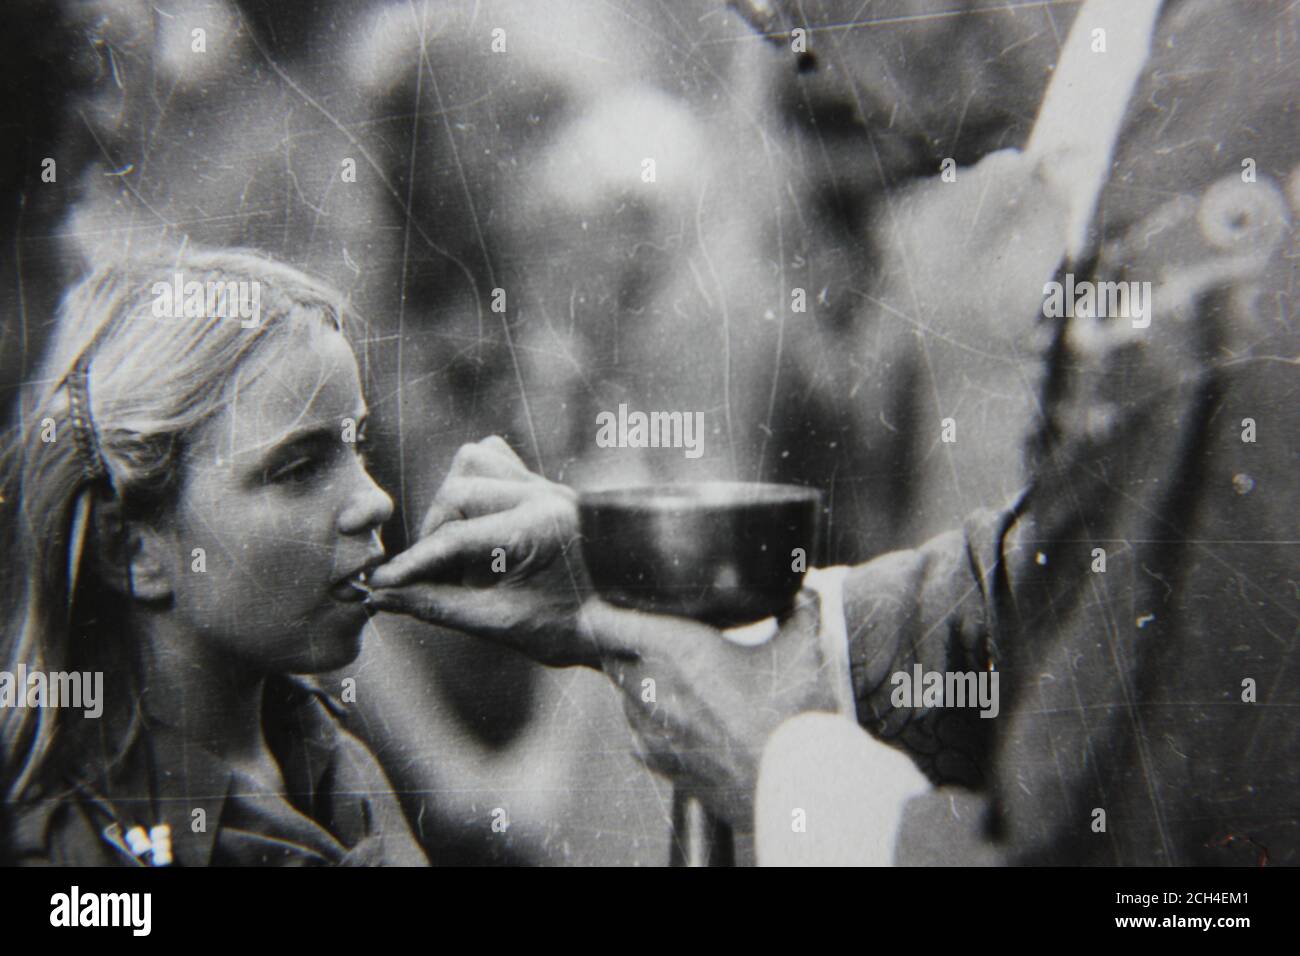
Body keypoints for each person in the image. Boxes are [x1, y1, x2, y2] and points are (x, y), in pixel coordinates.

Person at [361, 0, 1298, 865]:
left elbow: (1174, 896)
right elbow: (1092, 578)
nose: (781, 45)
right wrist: (671, 578)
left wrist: (786, 782)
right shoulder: (1214, 118)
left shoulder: (1194, 254)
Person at [0, 249, 427, 865]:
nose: (375, 501)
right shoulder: (70, 851)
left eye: (357, 445)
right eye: (299, 467)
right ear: (132, 550)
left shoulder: (333, 763)